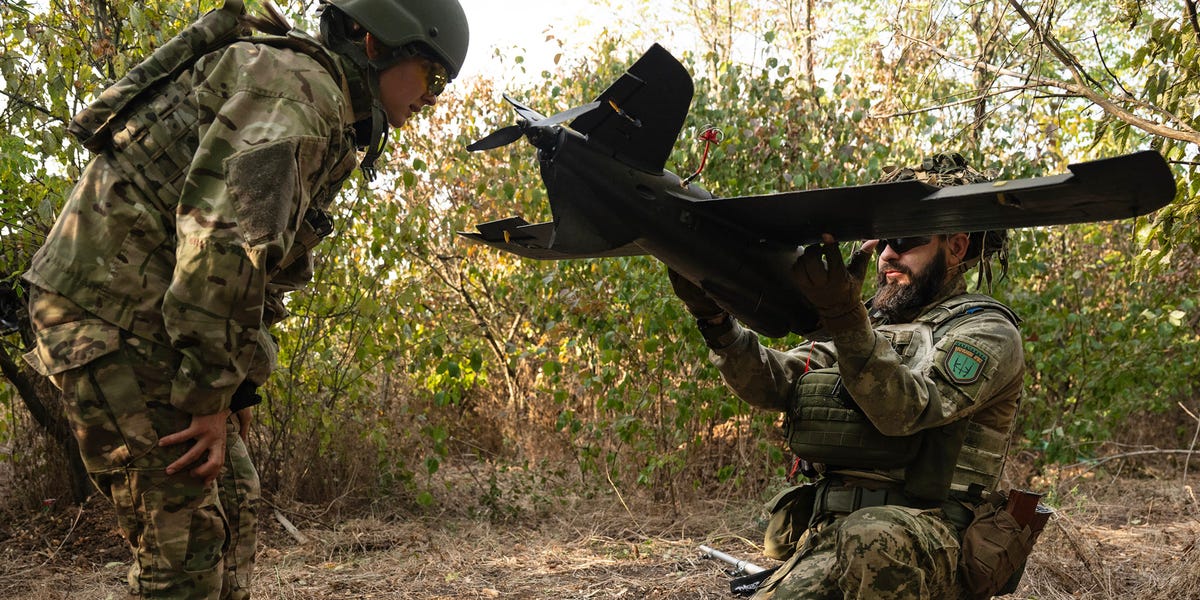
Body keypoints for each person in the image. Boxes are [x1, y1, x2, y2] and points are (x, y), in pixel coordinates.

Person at [20, 0, 468, 598]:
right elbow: (222, 243)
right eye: (432, 76)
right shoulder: (297, 96)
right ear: (374, 43)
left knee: (233, 497)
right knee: (181, 543)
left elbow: (260, 260)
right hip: (111, 314)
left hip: (149, 315)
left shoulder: (316, 98)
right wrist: (209, 390)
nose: (432, 98)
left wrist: (237, 384)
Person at [671, 154, 1025, 599]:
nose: (888, 254)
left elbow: (907, 410)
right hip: (833, 534)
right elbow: (777, 383)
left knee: (873, 536)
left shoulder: (985, 330)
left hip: (927, 537)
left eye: (906, 238)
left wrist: (845, 316)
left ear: (956, 246)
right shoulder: (868, 324)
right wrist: (716, 323)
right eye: (883, 240)